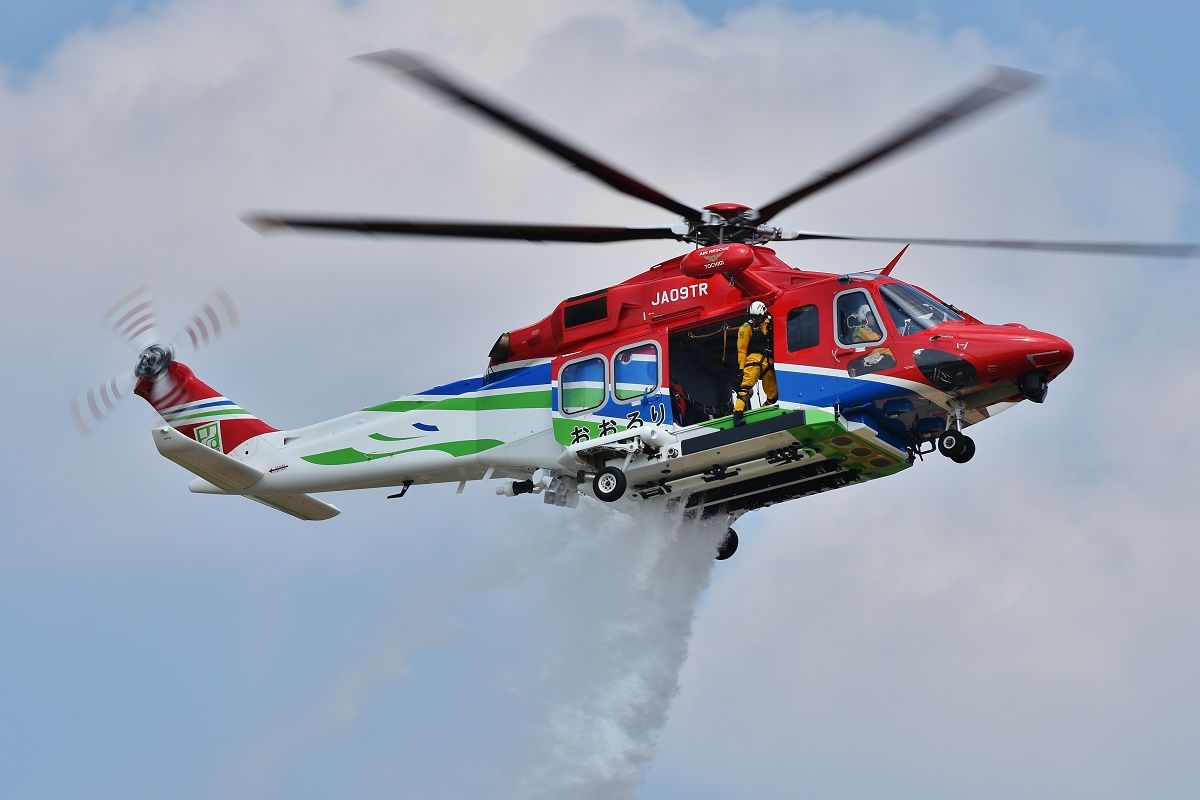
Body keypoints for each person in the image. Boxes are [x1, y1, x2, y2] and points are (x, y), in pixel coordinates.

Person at [733, 300, 778, 425]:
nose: (755, 320)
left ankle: (763, 412)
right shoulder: (746, 327)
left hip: (769, 362)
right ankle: (737, 415)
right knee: (745, 387)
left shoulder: (770, 322)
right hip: (754, 360)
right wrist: (742, 369)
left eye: (757, 317)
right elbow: (741, 349)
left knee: (773, 395)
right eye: (753, 317)